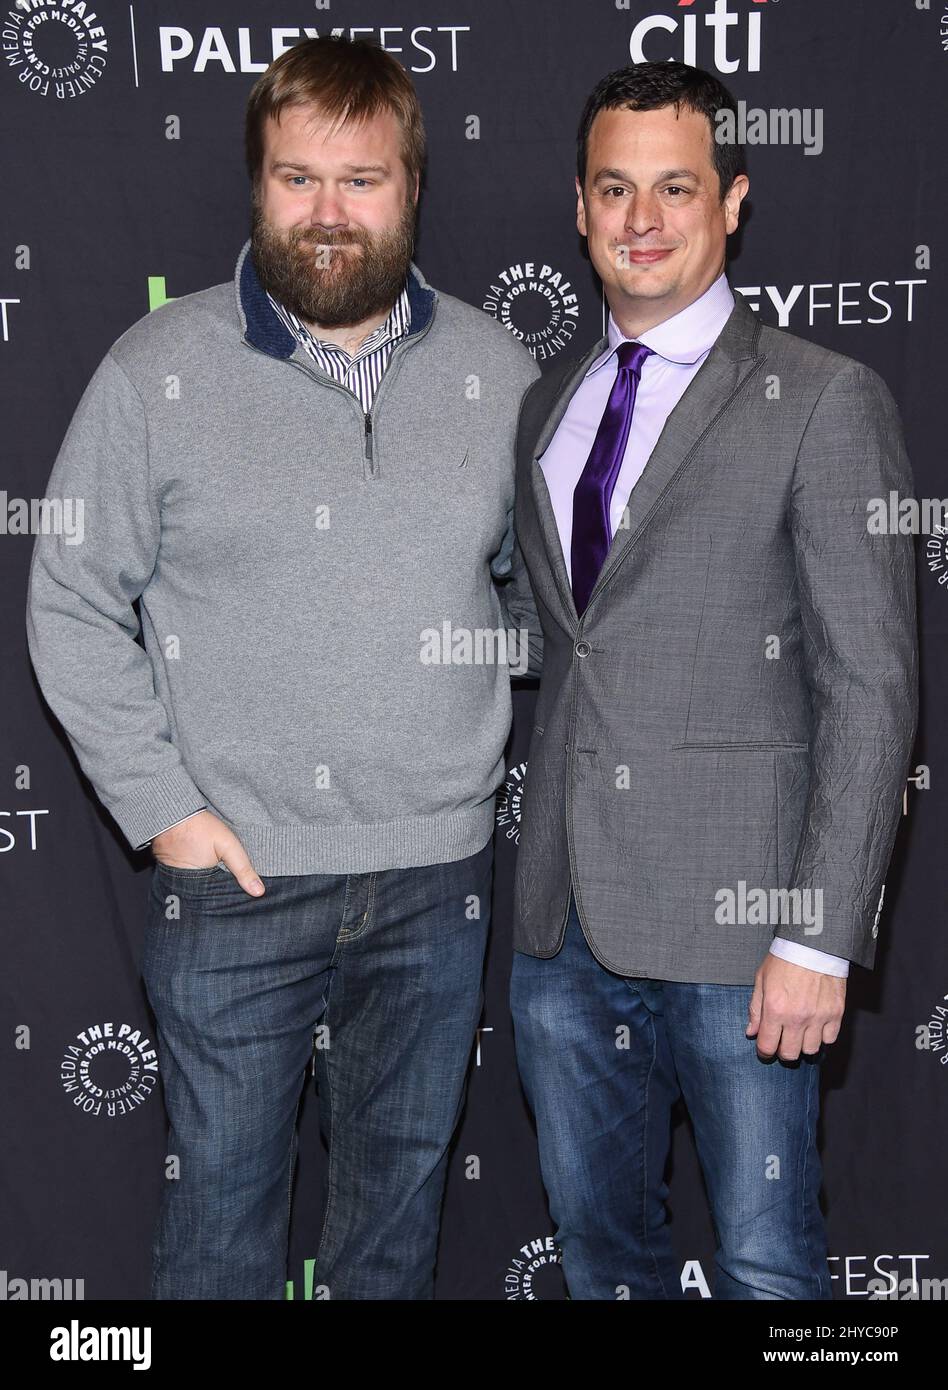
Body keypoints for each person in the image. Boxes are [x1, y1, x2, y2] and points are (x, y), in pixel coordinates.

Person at [26, 35, 539, 1300]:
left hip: (433, 883)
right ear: (256, 186)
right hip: (235, 883)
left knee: (393, 1233)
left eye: (360, 180)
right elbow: (72, 598)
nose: (327, 212)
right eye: (296, 177)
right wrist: (168, 813)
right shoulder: (157, 373)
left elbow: (548, 603)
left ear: (412, 187)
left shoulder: (501, 375)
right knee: (221, 1240)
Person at [497, 60, 918, 1300]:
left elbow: (873, 687)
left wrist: (821, 937)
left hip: (748, 937)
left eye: (675, 188)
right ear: (579, 207)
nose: (642, 220)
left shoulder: (826, 400)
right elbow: (561, 635)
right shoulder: (544, 409)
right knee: (600, 1257)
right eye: (615, 190)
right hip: (561, 926)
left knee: (766, 1267)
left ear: (731, 202)